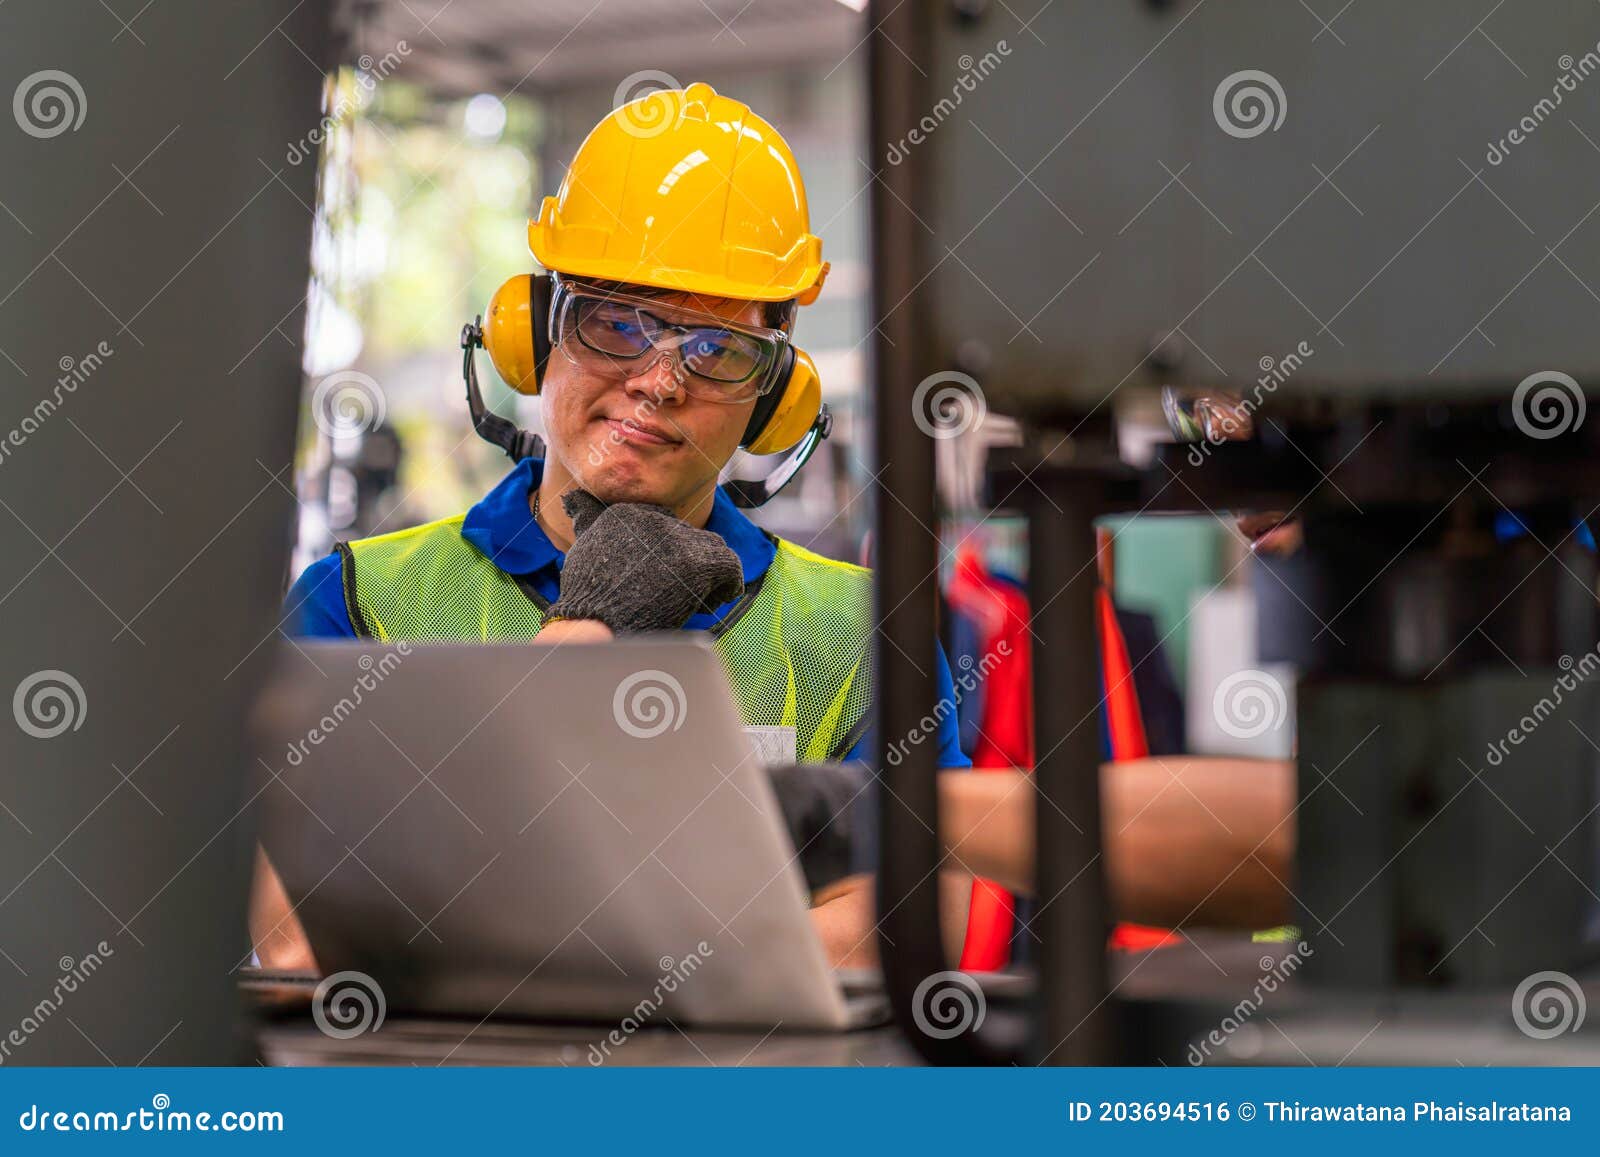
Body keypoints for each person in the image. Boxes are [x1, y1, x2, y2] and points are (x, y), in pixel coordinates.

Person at [253, 82, 1295, 974]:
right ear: (535, 334)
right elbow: (296, 941)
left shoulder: (858, 628)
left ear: (777, 396)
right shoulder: (358, 600)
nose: (657, 380)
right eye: (616, 319)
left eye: (715, 350)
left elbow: (898, 921)